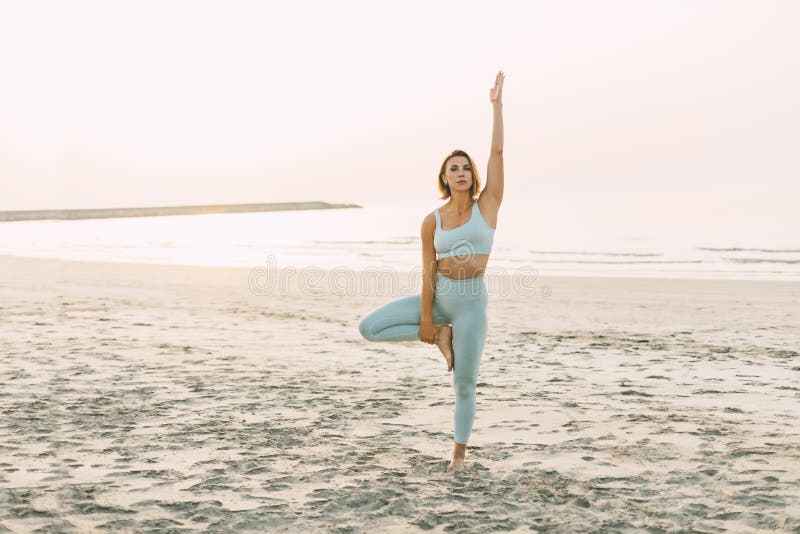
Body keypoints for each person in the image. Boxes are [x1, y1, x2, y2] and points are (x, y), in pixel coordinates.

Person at [358, 70, 505, 473]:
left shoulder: (486, 206)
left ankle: (458, 455)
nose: (461, 173)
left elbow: (497, 155)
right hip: (439, 297)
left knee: (464, 384)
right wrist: (428, 321)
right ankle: (442, 335)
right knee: (369, 327)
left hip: (472, 306)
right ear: (444, 177)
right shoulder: (431, 220)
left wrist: (496, 107)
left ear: (473, 176)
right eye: (453, 169)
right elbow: (426, 273)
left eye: (466, 168)